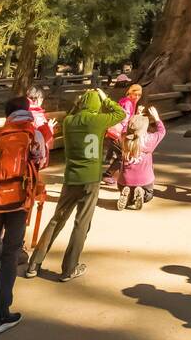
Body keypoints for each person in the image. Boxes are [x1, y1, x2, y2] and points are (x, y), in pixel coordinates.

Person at [26, 86, 124, 281]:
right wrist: (105, 98)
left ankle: (34, 264)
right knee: (82, 223)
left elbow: (73, 112)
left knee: (57, 219)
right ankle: (69, 267)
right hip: (91, 178)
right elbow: (120, 113)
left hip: (71, 177)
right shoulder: (98, 120)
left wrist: (80, 102)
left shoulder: (69, 121)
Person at [0, 95, 48, 335]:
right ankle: (1, 314)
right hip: (19, 199)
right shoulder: (33, 134)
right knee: (10, 253)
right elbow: (42, 161)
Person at [117, 104, 166, 210]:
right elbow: (162, 132)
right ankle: (142, 192)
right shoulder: (149, 141)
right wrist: (156, 118)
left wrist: (135, 116)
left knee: (126, 188)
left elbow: (125, 129)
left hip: (124, 181)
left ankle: (127, 194)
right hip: (145, 181)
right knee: (149, 196)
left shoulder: (125, 140)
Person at [102, 81, 142, 185]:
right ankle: (108, 175)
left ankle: (120, 176)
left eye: (139, 95)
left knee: (122, 155)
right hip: (117, 132)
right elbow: (125, 120)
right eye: (135, 94)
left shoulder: (128, 101)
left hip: (116, 132)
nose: (137, 96)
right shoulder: (128, 102)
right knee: (123, 155)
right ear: (130, 92)